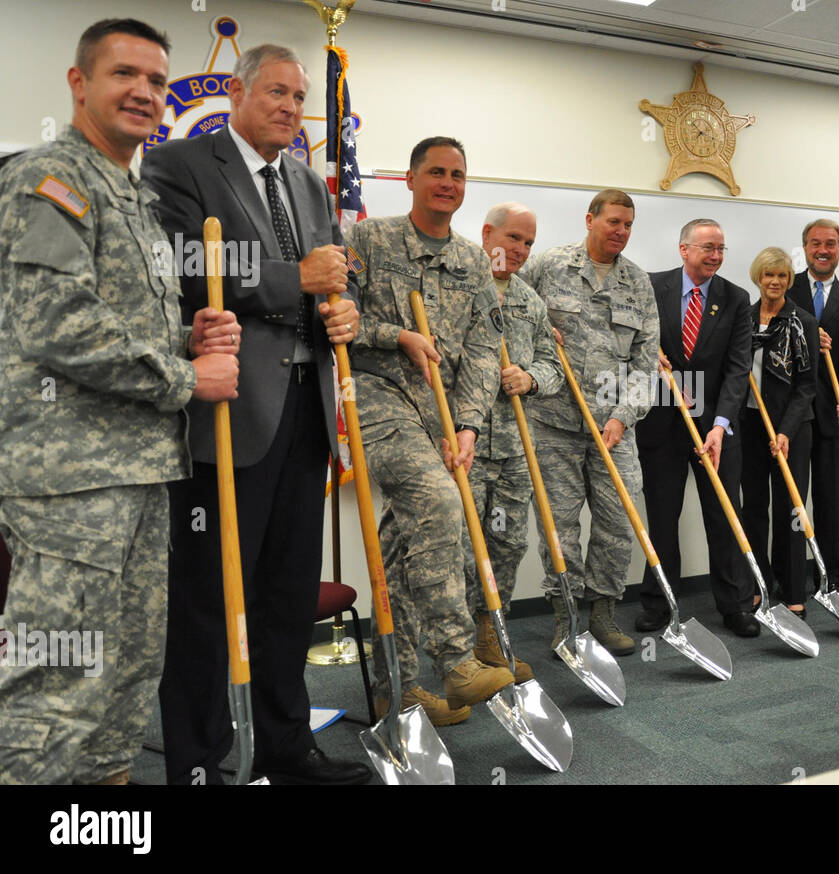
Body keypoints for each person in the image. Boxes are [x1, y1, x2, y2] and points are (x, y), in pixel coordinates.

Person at [0, 18, 240, 784]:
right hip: (69, 479)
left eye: (156, 81)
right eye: (123, 74)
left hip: (137, 471)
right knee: (56, 685)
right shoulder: (50, 179)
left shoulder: (131, 195)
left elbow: (119, 321)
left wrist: (183, 333)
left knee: (128, 670)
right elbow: (56, 323)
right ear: (79, 84)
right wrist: (186, 379)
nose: (143, 91)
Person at [142, 43, 367, 785]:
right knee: (207, 600)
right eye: (275, 92)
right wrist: (291, 278)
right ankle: (200, 763)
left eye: (299, 97)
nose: (290, 108)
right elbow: (179, 264)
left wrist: (343, 313)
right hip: (227, 414)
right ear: (237, 92)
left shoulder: (306, 181)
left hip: (307, 410)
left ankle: (286, 747)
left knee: (288, 595)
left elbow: (328, 279)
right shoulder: (180, 164)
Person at [346, 139, 514, 724]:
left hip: (439, 413)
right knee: (440, 502)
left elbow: (482, 352)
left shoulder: (472, 260)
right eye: (436, 172)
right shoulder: (368, 240)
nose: (447, 182)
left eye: (458, 175)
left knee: (402, 545)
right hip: (375, 398)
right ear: (410, 179)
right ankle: (456, 658)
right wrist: (397, 335)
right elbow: (334, 317)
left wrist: (467, 425)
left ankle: (398, 685)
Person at [518, 189, 658, 656]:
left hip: (613, 428)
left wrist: (622, 416)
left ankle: (603, 614)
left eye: (628, 225)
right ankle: (567, 617)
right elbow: (504, 313)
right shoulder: (548, 265)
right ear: (590, 220)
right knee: (559, 527)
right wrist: (535, 331)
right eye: (613, 222)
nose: (621, 231)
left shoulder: (638, 282)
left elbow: (645, 362)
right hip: (552, 422)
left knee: (619, 522)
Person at [635, 219, 757, 638]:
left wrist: (721, 425)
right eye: (708, 247)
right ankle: (660, 602)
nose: (716, 256)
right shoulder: (651, 287)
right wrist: (649, 354)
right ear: (683, 249)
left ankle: (735, 605)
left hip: (714, 426)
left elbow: (739, 368)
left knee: (724, 516)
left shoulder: (736, 298)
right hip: (662, 419)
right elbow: (633, 341)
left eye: (721, 249)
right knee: (663, 518)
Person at [461, 202, 564, 673]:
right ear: (487, 234)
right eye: (513, 239)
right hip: (466, 443)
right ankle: (456, 655)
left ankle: (490, 635)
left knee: (504, 542)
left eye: (528, 242)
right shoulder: (460, 283)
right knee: (463, 547)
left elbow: (552, 363)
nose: (521, 250)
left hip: (515, 448)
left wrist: (532, 378)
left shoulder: (528, 299)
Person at [787, 219, 839, 599]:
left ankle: (832, 577)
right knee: (792, 498)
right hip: (792, 414)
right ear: (804, 248)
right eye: (816, 243)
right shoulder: (785, 289)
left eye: (831, 244)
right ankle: (789, 576)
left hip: (835, 414)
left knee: (830, 497)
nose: (823, 249)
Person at [740, 248, 818, 618]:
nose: (775, 282)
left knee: (792, 509)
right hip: (750, 425)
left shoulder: (803, 321)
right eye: (769, 275)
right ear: (759, 277)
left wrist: (786, 430)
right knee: (753, 507)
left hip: (791, 429)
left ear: (789, 280)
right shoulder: (744, 319)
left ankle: (793, 587)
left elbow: (807, 386)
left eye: (782, 276)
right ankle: (759, 582)